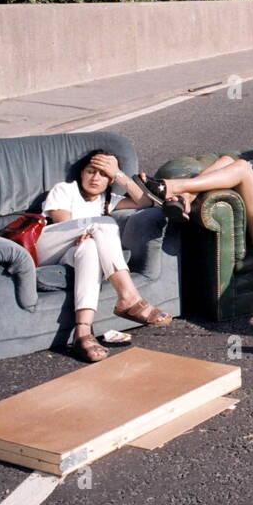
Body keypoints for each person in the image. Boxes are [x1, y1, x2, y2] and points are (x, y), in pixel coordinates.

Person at [38, 150, 173, 362]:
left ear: (110, 181)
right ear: (81, 173)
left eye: (103, 174)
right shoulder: (64, 189)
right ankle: (129, 297)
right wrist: (86, 231)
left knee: (90, 250)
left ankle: (82, 333)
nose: (95, 178)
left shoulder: (106, 200)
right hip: (49, 246)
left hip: (75, 251)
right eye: (90, 171)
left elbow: (147, 203)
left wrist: (119, 174)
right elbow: (62, 223)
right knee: (104, 224)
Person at [141, 135, 253, 253]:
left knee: (241, 166)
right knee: (226, 160)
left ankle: (173, 188)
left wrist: (250, 167)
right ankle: (185, 198)